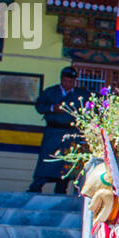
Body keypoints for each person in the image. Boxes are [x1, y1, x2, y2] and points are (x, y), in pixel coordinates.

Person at [29, 66, 89, 194]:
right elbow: (39, 106)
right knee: (47, 161)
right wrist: (52, 108)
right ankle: (36, 187)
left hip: (71, 133)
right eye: (66, 80)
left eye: (71, 81)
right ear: (61, 79)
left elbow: (90, 110)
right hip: (53, 132)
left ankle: (61, 189)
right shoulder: (51, 92)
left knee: (66, 164)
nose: (68, 84)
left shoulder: (81, 94)